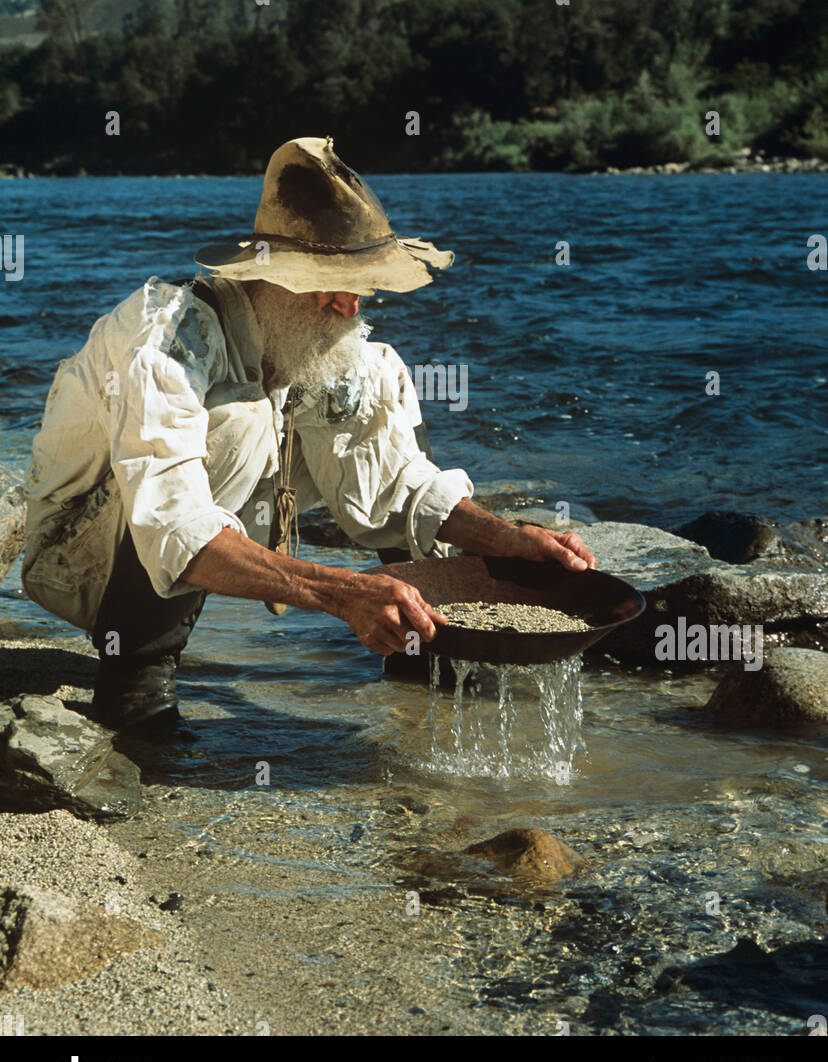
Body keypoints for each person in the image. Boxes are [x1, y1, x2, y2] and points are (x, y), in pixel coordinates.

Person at [22, 136, 596, 733]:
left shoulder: (320, 340)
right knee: (241, 425)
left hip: (184, 521)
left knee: (370, 373)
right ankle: (136, 676)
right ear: (272, 279)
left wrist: (506, 540)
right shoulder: (166, 344)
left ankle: (424, 650)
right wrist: (345, 594)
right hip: (84, 551)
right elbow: (173, 525)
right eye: (331, 285)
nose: (350, 307)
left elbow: (398, 483)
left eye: (359, 286)